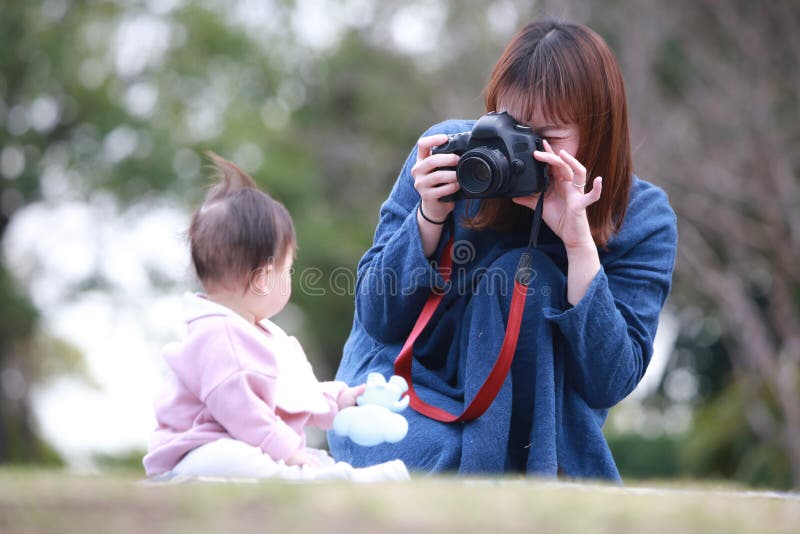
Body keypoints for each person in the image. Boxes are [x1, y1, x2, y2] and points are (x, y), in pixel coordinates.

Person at [328, 19, 678, 481]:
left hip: (533, 423)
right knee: (437, 457)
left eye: (547, 139)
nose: (524, 151)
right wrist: (429, 216)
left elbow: (608, 382)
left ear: (599, 132)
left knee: (525, 275)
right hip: (398, 392)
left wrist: (578, 245)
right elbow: (378, 318)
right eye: (513, 127)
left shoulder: (641, 217)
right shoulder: (452, 157)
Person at [143, 153, 408, 482]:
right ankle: (313, 477)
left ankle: (329, 476)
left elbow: (289, 394)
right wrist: (288, 452)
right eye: (289, 269)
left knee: (308, 457)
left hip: (246, 444)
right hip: (197, 452)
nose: (290, 278)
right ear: (264, 278)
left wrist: (341, 399)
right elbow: (242, 411)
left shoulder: (256, 332)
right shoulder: (217, 335)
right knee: (242, 457)